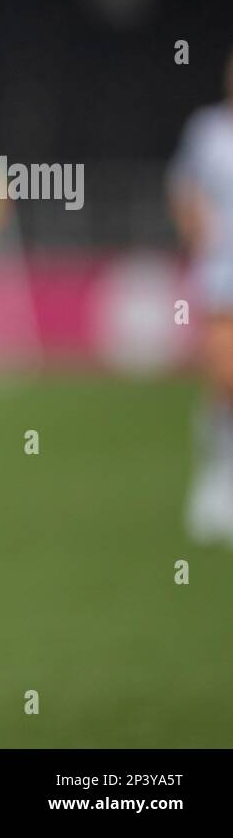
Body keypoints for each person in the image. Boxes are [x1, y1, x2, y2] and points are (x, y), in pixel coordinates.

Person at [170, 47, 233, 547]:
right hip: (222, 271)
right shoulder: (208, 130)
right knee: (225, 374)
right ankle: (218, 479)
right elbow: (184, 188)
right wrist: (195, 230)